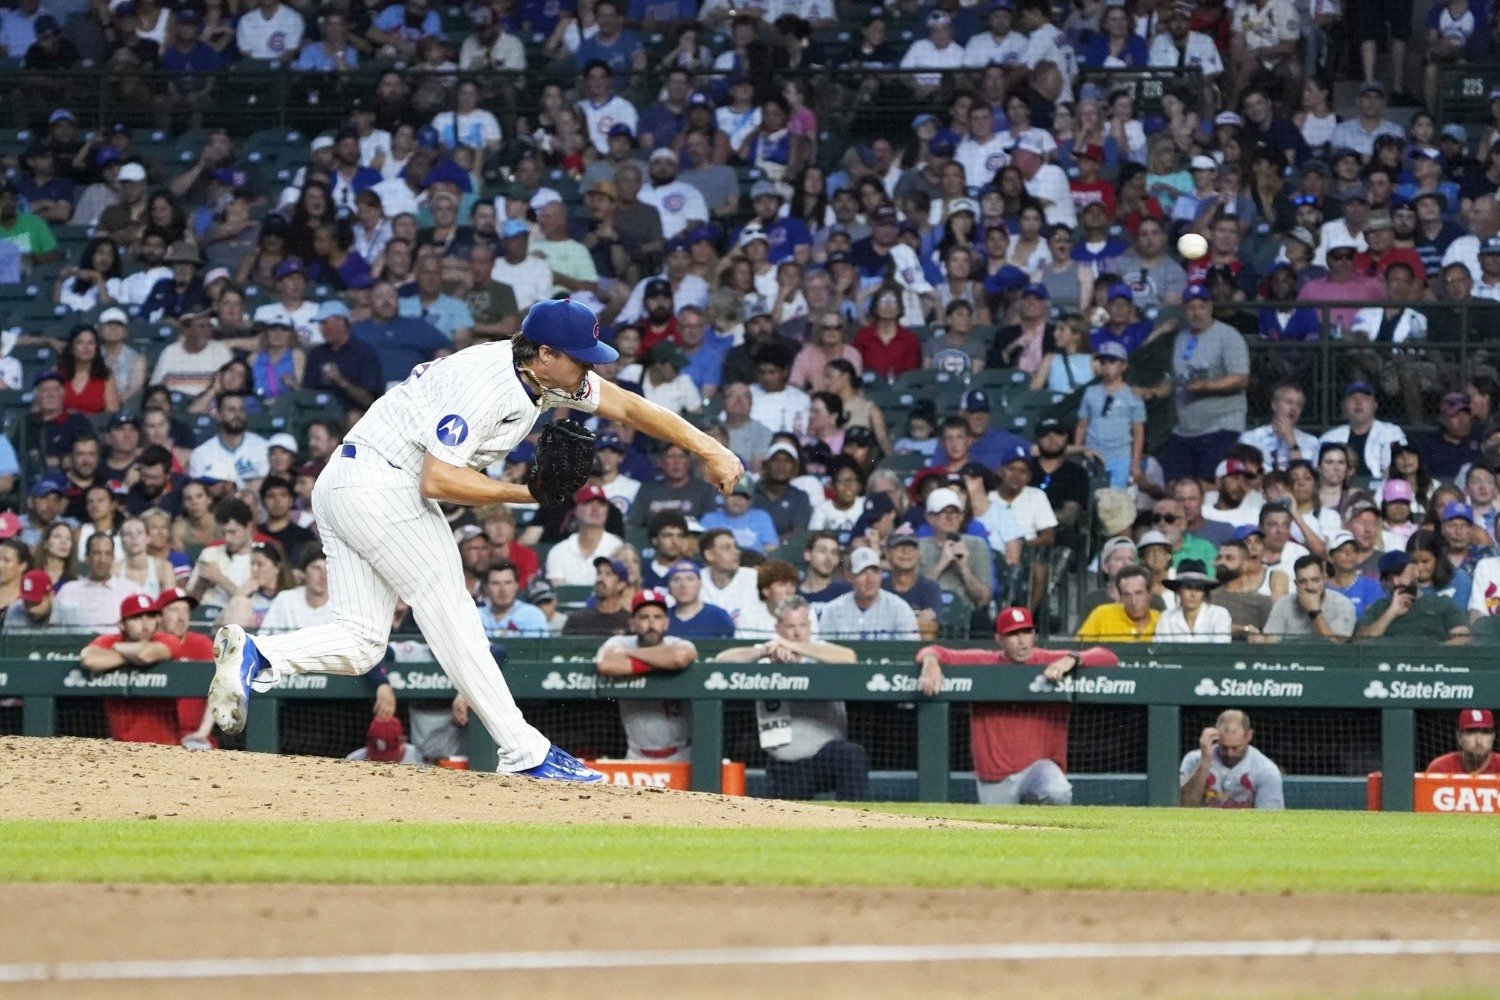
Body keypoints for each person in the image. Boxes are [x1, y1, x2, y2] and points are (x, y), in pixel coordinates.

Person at [206, 298, 743, 784]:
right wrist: (529, 494)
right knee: (454, 611)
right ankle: (524, 751)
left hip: (350, 484)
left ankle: (260, 653)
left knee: (363, 642)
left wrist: (709, 448)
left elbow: (627, 407)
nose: (590, 366)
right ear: (546, 352)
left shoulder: (544, 373)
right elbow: (437, 481)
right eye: (580, 357)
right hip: (382, 484)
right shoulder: (486, 385)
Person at [917, 606, 1119, 805]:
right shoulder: (983, 662)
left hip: (1038, 771)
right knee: (998, 834)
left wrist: (1073, 659)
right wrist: (930, 662)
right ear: (999, 639)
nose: (1022, 641)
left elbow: (1108, 657)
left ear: (1034, 634)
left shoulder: (1053, 661)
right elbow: (932, 650)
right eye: (1013, 634)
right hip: (995, 777)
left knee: (1056, 792)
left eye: (1027, 632)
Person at [713, 596, 870, 801]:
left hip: (827, 754)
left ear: (810, 625)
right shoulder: (768, 653)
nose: (797, 632)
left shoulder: (820, 651)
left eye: (803, 625)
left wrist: (797, 648)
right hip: (786, 760)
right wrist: (763, 652)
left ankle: (857, 826)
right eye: (790, 627)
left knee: (852, 755)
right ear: (778, 628)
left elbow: (849, 657)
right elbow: (721, 660)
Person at [594, 589, 698, 761]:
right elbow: (606, 663)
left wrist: (631, 654)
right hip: (637, 756)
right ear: (632, 623)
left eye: (657, 617)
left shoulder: (677, 643)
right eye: (644, 617)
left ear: (666, 623)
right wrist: (661, 663)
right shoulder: (618, 642)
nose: (651, 623)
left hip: (681, 754)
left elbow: (678, 658)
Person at [1355, 551, 1472, 645]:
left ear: (1415, 571)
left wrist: (1430, 655)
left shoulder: (1442, 603)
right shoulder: (1380, 607)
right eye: (1389, 579)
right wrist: (1391, 613)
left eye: (1400, 574)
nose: (1396, 582)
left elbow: (1463, 638)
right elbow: (1360, 642)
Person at [1179, 710, 1285, 809]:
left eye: (1235, 748)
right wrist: (1205, 762)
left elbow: (1270, 820)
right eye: (1224, 747)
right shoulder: (1194, 759)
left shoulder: (1265, 770)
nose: (1230, 753)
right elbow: (1186, 806)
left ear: (1249, 736)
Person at [817, 548, 918, 640]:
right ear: (849, 576)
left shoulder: (900, 609)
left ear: (881, 574)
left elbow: (909, 650)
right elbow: (823, 650)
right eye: (862, 572)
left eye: (875, 572)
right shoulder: (832, 610)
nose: (870, 579)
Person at [1255, 554, 1356, 642]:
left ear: (1324, 579)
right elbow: (1271, 642)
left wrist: (1315, 612)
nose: (1310, 587)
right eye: (1303, 582)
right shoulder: (1283, 604)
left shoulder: (1342, 604)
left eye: (1315, 580)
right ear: (1296, 584)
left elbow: (1336, 646)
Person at [52, 532, 138, 632]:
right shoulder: (68, 591)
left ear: (113, 558)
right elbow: (55, 632)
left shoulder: (131, 591)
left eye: (107, 554)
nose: (102, 560)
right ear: (87, 557)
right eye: (97, 553)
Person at [1075, 564, 1160, 642]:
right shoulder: (1101, 615)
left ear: (1150, 594)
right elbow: (1078, 649)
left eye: (1139, 593)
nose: (1133, 601)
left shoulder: (1161, 621)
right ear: (1120, 597)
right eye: (1127, 595)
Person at [1156, 559, 1233, 642]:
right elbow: (1162, 651)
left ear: (1204, 592)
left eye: (1199, 589)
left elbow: (1220, 650)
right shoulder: (1167, 617)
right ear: (1178, 590)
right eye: (1188, 587)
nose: (1193, 594)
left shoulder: (1219, 614)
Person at [477, 560, 549, 639]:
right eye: (495, 583)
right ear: (485, 587)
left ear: (516, 585)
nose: (503, 590)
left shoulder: (532, 615)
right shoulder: (475, 615)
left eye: (508, 583)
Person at [665, 560, 735, 639]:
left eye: (690, 579)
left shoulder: (718, 616)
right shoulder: (662, 618)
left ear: (700, 584)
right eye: (676, 579)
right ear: (669, 587)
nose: (683, 585)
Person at [1425, 709, 1500, 775]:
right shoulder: (1440, 768)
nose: (1479, 741)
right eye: (1471, 732)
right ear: (1459, 737)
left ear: (1493, 736)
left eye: (1485, 732)